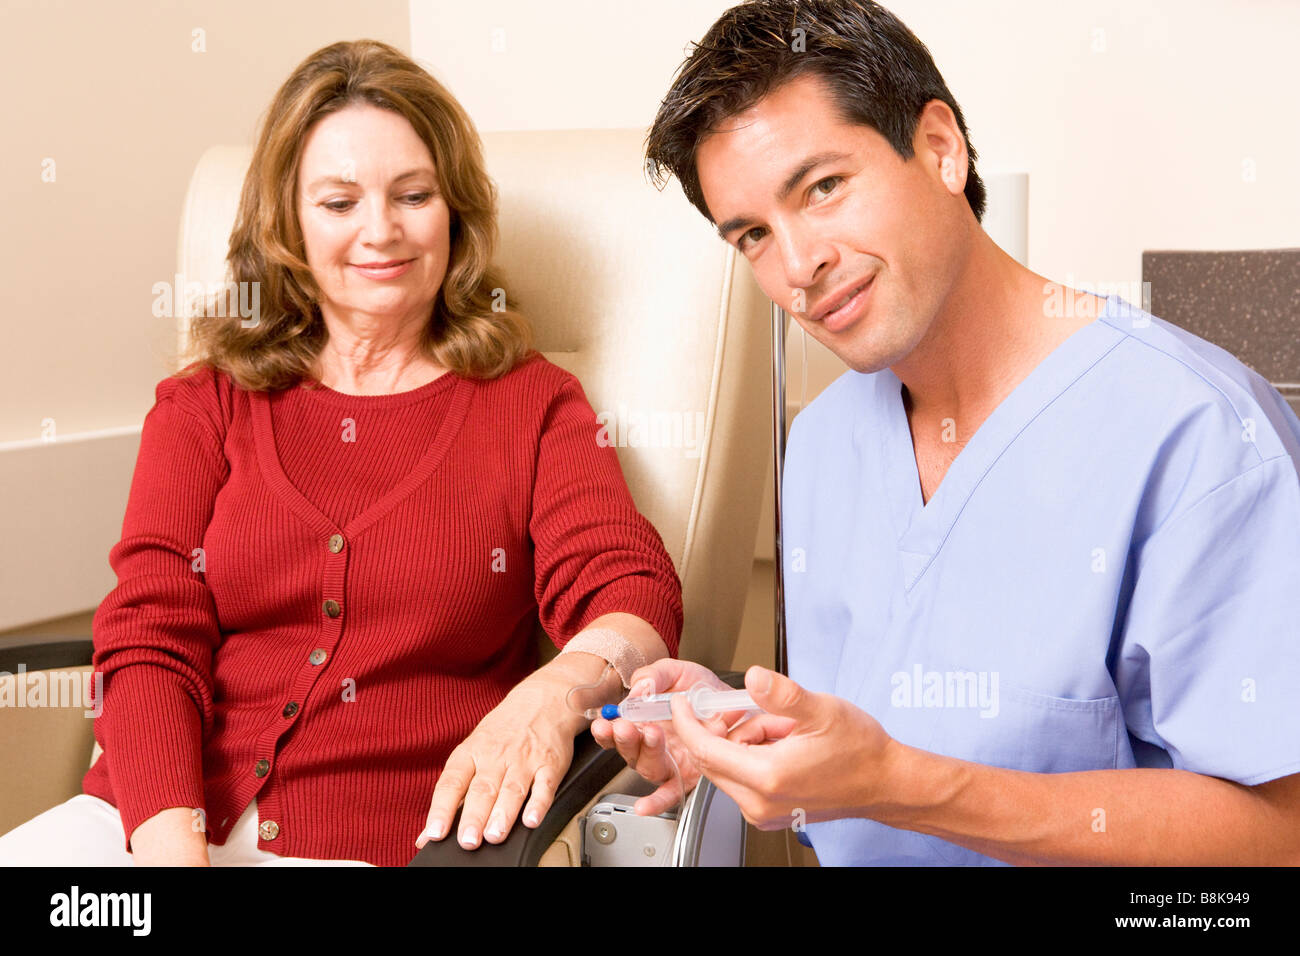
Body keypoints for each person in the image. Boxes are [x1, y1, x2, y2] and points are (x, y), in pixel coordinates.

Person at [594, 0, 1300, 865]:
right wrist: (740, 725)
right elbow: (850, 741)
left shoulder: (1200, 436)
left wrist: (895, 781)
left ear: (939, 148)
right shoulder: (822, 446)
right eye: (752, 236)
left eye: (823, 187)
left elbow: (1281, 836)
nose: (798, 266)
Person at [0, 39, 681, 867]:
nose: (381, 231)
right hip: (148, 833)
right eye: (338, 202)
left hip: (384, 846)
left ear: (454, 208)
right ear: (288, 223)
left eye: (413, 194)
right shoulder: (205, 403)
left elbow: (632, 591)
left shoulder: (531, 405)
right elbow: (149, 632)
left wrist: (552, 693)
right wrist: (170, 852)